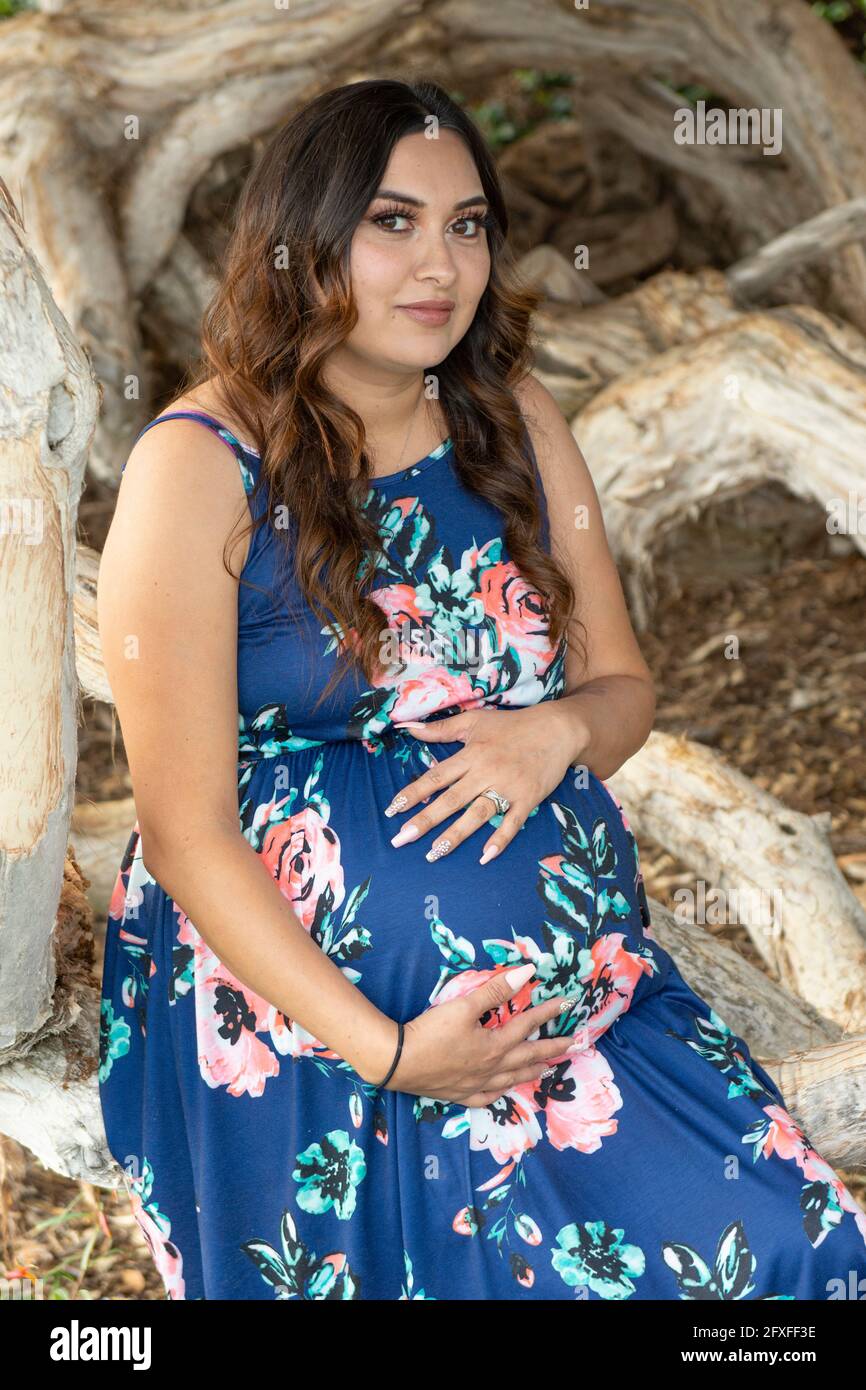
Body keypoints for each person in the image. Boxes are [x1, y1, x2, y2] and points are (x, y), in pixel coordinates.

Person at [97, 77, 866, 1301]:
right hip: (312, 1027)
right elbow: (184, 833)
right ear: (302, 240)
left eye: (467, 225)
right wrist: (391, 1050)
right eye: (391, 222)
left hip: (581, 1011)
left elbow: (622, 691)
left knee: (794, 1249)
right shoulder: (198, 466)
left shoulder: (510, 418)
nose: (438, 264)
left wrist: (552, 734)